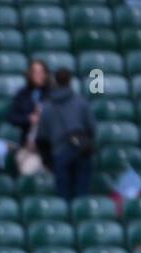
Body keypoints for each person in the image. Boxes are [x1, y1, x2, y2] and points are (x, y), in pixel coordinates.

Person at [37, 68, 96, 201]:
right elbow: (92, 128)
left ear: (55, 82)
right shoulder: (81, 103)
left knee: (63, 197)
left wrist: (48, 160)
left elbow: (42, 136)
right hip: (81, 150)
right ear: (70, 81)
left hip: (59, 152)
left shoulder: (47, 107)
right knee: (82, 195)